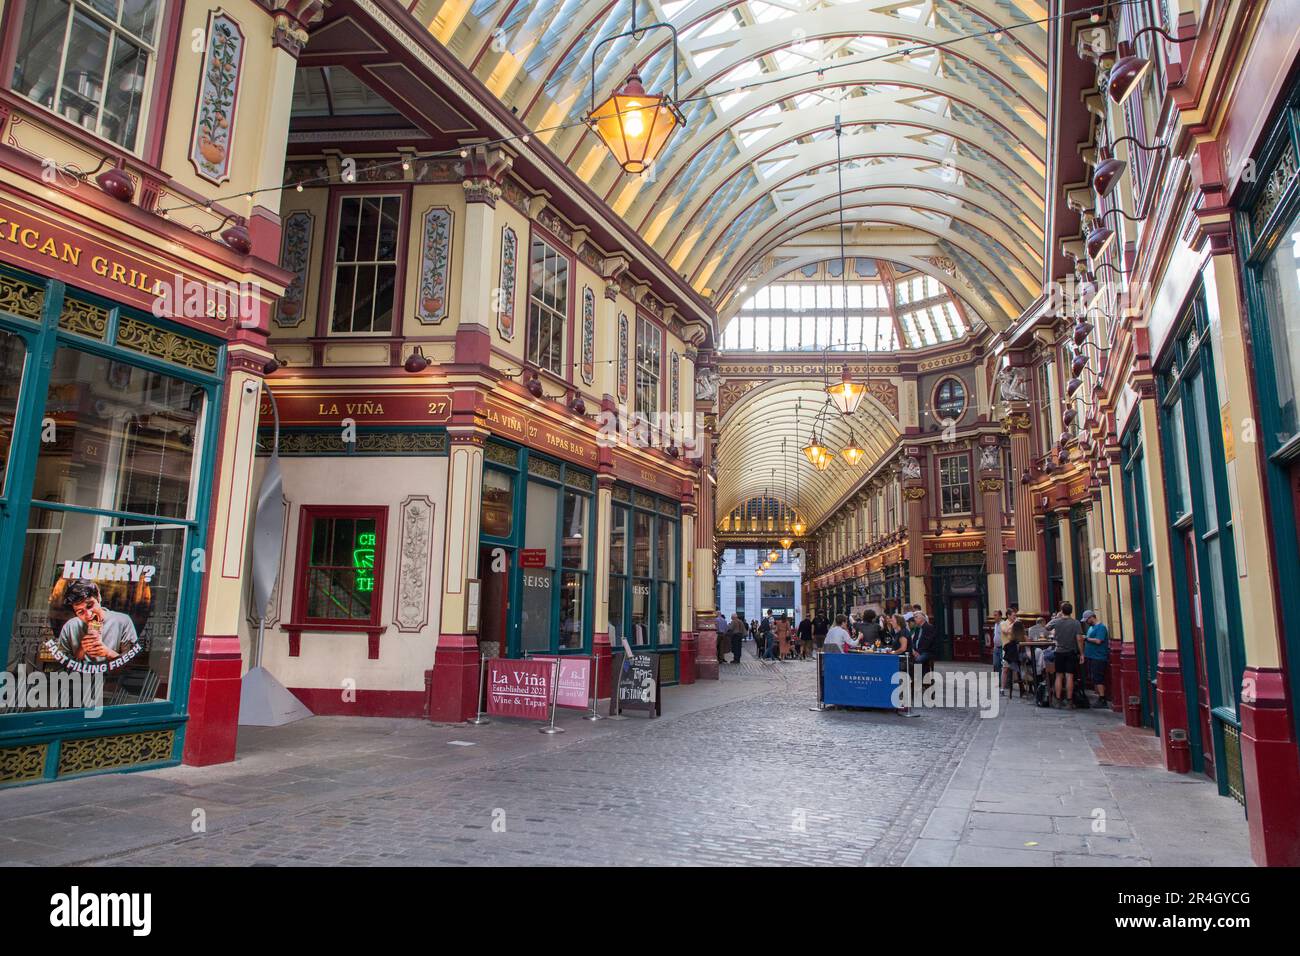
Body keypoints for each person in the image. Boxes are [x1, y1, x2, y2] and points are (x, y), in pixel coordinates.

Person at [55, 580, 139, 664]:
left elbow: (131, 664)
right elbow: (63, 666)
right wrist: (82, 649)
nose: (88, 614)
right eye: (80, 612)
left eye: (90, 606)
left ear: (99, 597)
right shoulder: (69, 627)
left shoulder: (123, 621)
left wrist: (108, 653)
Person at [1046, 602, 1083, 708]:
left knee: (1059, 675)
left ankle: (1057, 699)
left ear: (1062, 611)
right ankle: (1069, 700)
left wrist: (1057, 617)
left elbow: (1047, 627)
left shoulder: (1057, 622)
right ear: (1071, 611)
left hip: (1059, 651)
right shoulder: (1076, 623)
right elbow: (1079, 639)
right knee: (1069, 676)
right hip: (1071, 651)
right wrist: (1082, 653)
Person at [1082, 609, 1110, 707]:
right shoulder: (1091, 628)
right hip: (1091, 656)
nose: (1086, 622)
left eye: (1087, 620)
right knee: (1095, 677)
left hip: (1098, 656)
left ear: (1091, 617)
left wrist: (1086, 638)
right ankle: (1099, 696)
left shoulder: (1101, 627)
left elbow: (1099, 641)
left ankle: (1102, 699)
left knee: (1098, 678)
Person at [912, 611, 939, 678]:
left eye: (916, 617)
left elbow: (928, 642)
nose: (914, 619)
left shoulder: (929, 627)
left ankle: (919, 681)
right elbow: (914, 641)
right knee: (907, 660)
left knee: (918, 660)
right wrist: (914, 650)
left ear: (922, 618)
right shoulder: (917, 629)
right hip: (917, 651)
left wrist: (918, 652)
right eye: (914, 617)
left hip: (927, 651)